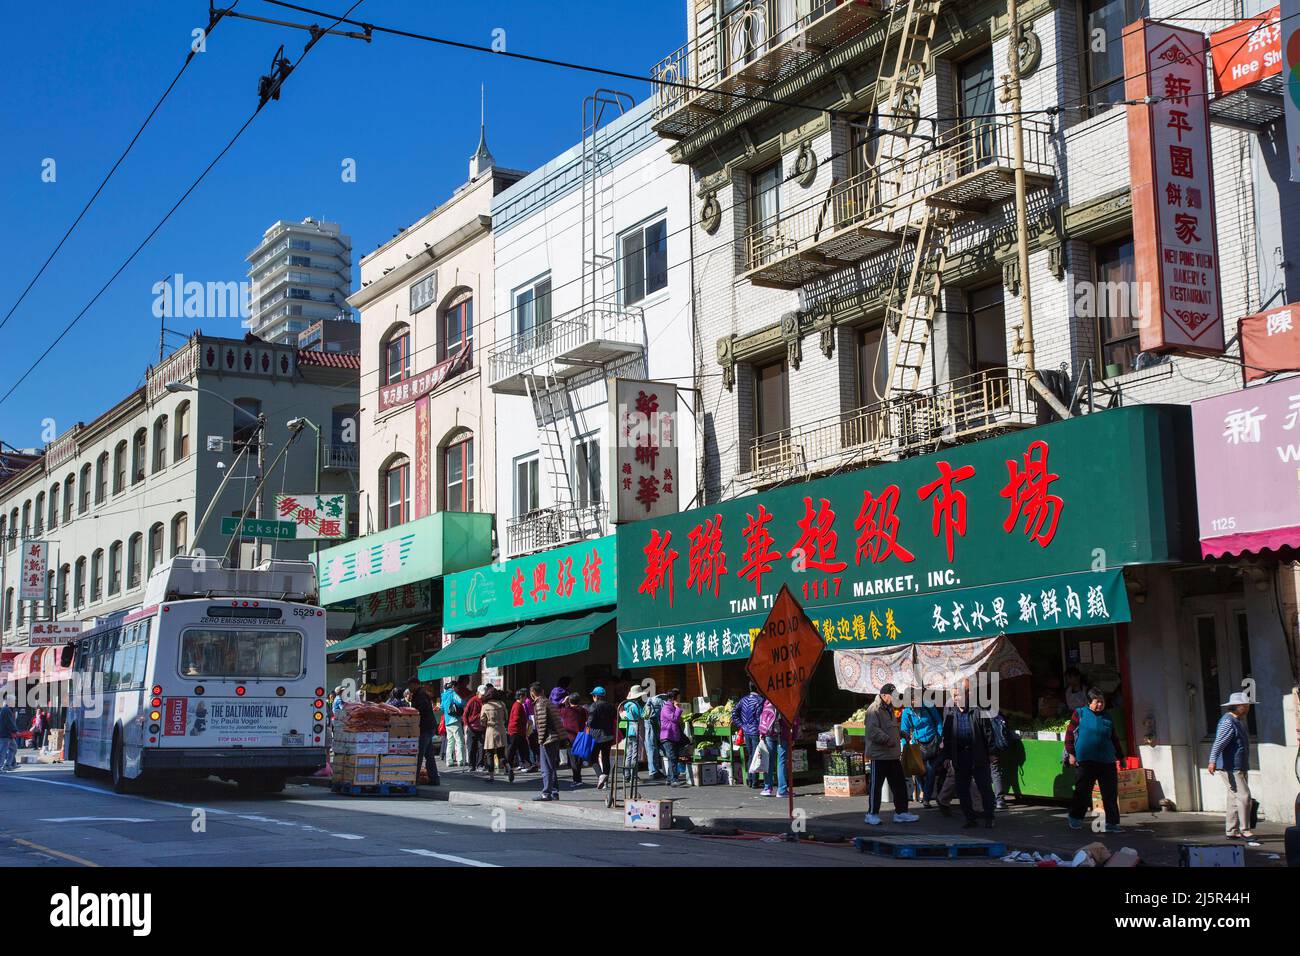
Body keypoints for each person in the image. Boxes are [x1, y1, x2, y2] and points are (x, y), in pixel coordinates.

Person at [1064, 688, 1126, 833]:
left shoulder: (1107, 717)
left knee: (1110, 794)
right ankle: (1075, 818)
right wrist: (1071, 754)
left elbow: (1114, 738)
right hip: (1086, 761)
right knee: (1082, 792)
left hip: (1107, 761)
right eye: (1097, 702)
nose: (1100, 705)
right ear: (1089, 702)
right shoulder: (1079, 713)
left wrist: (1120, 757)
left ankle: (1112, 824)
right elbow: (1069, 736)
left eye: (1102, 702)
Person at [938, 683, 996, 829]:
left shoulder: (977, 711)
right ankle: (970, 818)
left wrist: (991, 752)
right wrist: (946, 756)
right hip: (960, 756)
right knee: (962, 788)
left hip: (977, 754)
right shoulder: (951, 714)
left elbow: (987, 732)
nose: (957, 699)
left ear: (967, 695)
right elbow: (947, 736)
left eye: (959, 695)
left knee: (984, 787)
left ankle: (989, 816)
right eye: (955, 696)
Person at [864, 684, 917, 825]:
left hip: (892, 755)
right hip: (879, 755)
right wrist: (889, 740)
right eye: (893, 696)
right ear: (884, 695)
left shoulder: (890, 709)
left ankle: (901, 812)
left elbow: (891, 728)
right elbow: (872, 731)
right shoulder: (874, 710)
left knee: (899, 785)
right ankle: (871, 814)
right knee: (876, 786)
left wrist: (901, 733)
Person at [1209, 691, 1254, 840]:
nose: (1248, 707)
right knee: (1244, 796)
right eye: (1245, 705)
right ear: (1237, 706)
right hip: (1231, 766)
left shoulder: (1239, 721)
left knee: (1234, 798)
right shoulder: (1228, 722)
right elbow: (1219, 743)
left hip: (1238, 765)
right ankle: (1245, 829)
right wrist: (1212, 760)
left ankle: (1231, 830)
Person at [900, 696, 943, 807]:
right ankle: (923, 790)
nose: (914, 702)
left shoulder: (928, 705)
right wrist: (905, 748)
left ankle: (926, 798)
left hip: (932, 741)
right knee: (918, 770)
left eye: (915, 699)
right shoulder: (907, 712)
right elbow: (904, 731)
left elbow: (938, 721)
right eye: (911, 700)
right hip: (918, 744)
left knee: (930, 769)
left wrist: (940, 737)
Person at [530, 682, 564, 801]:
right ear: (543, 691)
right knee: (551, 766)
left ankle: (546, 793)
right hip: (555, 737)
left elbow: (542, 725)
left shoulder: (540, 704)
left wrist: (540, 740)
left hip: (548, 739)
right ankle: (554, 792)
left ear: (532, 693)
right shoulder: (550, 702)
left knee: (546, 768)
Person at [407, 677, 441, 787]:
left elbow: (421, 711)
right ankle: (434, 779)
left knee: (419, 754)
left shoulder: (420, 695)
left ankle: (414, 779)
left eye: (410, 685)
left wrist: (413, 714)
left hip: (425, 728)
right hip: (427, 727)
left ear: (415, 684)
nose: (409, 688)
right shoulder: (419, 694)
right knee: (429, 755)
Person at [731, 682, 765, 789]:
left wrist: (742, 725)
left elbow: (734, 713)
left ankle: (751, 780)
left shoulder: (743, 700)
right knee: (755, 755)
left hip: (747, 731)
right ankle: (754, 781)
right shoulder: (760, 700)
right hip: (756, 731)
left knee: (751, 755)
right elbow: (760, 717)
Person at [757, 697, 790, 797]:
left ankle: (767, 788)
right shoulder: (786, 701)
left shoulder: (768, 700)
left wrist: (761, 732)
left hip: (769, 733)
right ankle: (782, 790)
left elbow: (763, 717)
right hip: (782, 734)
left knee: (769, 761)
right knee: (781, 762)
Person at [586, 686, 616, 789]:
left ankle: (600, 776)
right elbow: (616, 718)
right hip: (609, 735)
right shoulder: (610, 706)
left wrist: (588, 725)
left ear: (595, 696)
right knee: (605, 757)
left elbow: (590, 722)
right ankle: (605, 781)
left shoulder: (594, 706)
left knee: (593, 757)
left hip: (597, 736)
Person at [480, 687, 512, 783]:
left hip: (490, 730)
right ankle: (509, 768)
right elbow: (506, 717)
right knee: (501, 753)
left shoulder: (485, 706)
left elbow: (482, 720)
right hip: (501, 730)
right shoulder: (502, 704)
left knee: (489, 753)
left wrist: (486, 724)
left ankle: (491, 777)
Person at [558, 693, 589, 789]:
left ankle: (577, 780)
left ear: (569, 701)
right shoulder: (583, 710)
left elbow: (557, 710)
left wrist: (562, 703)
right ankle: (578, 779)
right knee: (578, 760)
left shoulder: (566, 711)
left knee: (573, 760)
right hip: (580, 736)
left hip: (570, 738)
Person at [659, 689, 686, 787]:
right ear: (674, 698)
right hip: (667, 736)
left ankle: (669, 779)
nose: (680, 699)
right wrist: (678, 708)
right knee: (672, 757)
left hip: (673, 736)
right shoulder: (666, 707)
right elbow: (674, 719)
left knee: (672, 758)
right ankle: (674, 779)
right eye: (678, 697)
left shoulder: (672, 707)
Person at [620, 687, 646, 782]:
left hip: (629, 730)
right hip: (636, 730)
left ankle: (626, 775)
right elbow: (643, 715)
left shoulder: (626, 705)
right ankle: (633, 776)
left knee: (629, 754)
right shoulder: (636, 706)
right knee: (635, 753)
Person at [441, 681, 467, 768]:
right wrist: (465, 702)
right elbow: (461, 702)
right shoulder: (452, 693)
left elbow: (441, 707)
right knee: (459, 740)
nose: (457, 689)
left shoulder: (444, 695)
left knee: (450, 741)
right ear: (453, 687)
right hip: (454, 720)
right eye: (456, 687)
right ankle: (460, 760)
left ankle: (449, 761)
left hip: (447, 721)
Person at [507, 688, 533, 772]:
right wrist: (526, 721)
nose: (526, 699)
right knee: (514, 749)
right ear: (521, 697)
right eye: (525, 697)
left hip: (518, 731)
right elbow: (516, 719)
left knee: (522, 748)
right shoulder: (518, 706)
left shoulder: (517, 705)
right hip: (516, 731)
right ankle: (508, 765)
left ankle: (526, 764)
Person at [463, 684, 486, 772]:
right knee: (471, 747)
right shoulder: (472, 701)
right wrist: (466, 725)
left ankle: (480, 765)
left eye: (484, 695)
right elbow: (465, 714)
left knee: (481, 747)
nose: (483, 696)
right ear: (477, 693)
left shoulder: (485, 701)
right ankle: (471, 765)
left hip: (481, 728)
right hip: (472, 728)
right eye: (481, 694)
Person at [643, 689, 665, 779]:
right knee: (652, 747)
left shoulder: (652, 700)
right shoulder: (662, 700)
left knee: (651, 747)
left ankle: (654, 770)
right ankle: (653, 771)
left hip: (649, 724)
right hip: (652, 724)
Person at [0, 695, 18, 772]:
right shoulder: (6, 710)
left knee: (13, 748)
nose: (14, 702)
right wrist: (15, 730)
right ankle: (3, 765)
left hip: (7, 734)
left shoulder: (7, 709)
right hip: (5, 734)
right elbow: (10, 722)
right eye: (14, 701)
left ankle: (8, 765)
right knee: (3, 751)